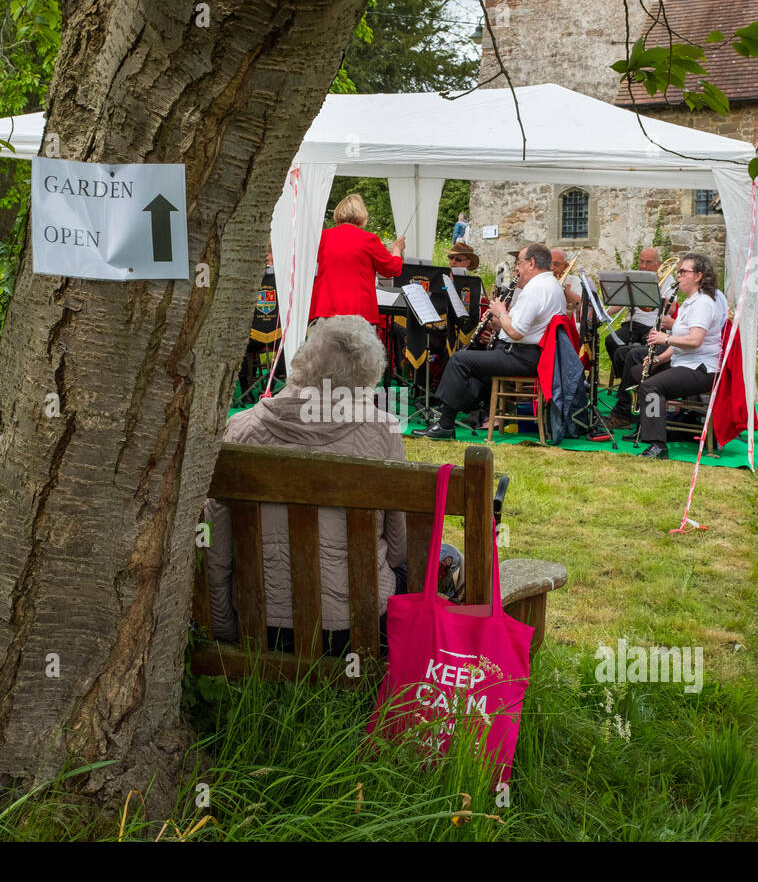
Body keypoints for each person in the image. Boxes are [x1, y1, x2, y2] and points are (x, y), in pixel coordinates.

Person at [206, 315, 407, 655]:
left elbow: (215, 545)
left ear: (301, 361)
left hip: (262, 628)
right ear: (368, 377)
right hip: (356, 631)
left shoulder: (241, 429)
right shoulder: (383, 430)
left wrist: (225, 628)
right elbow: (400, 547)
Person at [413, 243, 565, 441]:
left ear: (531, 263)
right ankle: (456, 413)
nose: (516, 268)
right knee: (471, 364)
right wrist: (498, 324)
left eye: (518, 263)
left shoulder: (536, 289)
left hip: (521, 357)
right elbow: (523, 328)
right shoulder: (550, 284)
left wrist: (500, 311)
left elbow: (517, 332)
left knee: (460, 359)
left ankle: (444, 424)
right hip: (531, 355)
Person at [606, 252, 726, 459]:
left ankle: (657, 444)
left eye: (683, 272)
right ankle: (647, 424)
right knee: (637, 372)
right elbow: (681, 342)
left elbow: (694, 340)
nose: (678, 276)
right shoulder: (691, 301)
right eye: (678, 271)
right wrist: (658, 359)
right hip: (685, 362)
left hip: (701, 369)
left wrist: (665, 339)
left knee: (651, 386)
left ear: (698, 276)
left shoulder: (703, 303)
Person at [308, 193, 406, 325]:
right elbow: (392, 269)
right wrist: (396, 250)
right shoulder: (369, 240)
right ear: (362, 214)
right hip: (358, 311)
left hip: (325, 308)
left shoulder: (324, 237)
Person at [604, 247, 666, 378]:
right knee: (611, 341)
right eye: (641, 261)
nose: (643, 266)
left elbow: (671, 309)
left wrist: (657, 292)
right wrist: (607, 312)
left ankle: (643, 378)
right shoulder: (633, 277)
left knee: (648, 345)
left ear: (658, 264)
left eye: (648, 262)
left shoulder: (668, 279)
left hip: (652, 326)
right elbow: (622, 301)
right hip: (633, 323)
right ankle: (624, 379)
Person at [549, 247, 582, 313]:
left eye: (556, 264)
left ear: (566, 266)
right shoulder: (542, 280)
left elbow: (580, 305)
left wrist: (563, 288)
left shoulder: (574, 280)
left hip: (567, 321)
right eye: (549, 263)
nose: (551, 268)